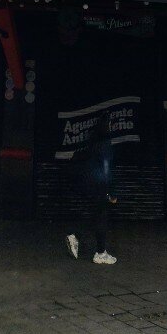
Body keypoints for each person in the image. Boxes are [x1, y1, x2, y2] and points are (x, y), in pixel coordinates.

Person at [65, 111, 117, 265]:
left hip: (88, 185)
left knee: (96, 216)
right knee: (101, 217)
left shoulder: (93, 142)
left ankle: (75, 235)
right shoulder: (105, 143)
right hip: (99, 186)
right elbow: (107, 169)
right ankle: (100, 253)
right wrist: (112, 192)